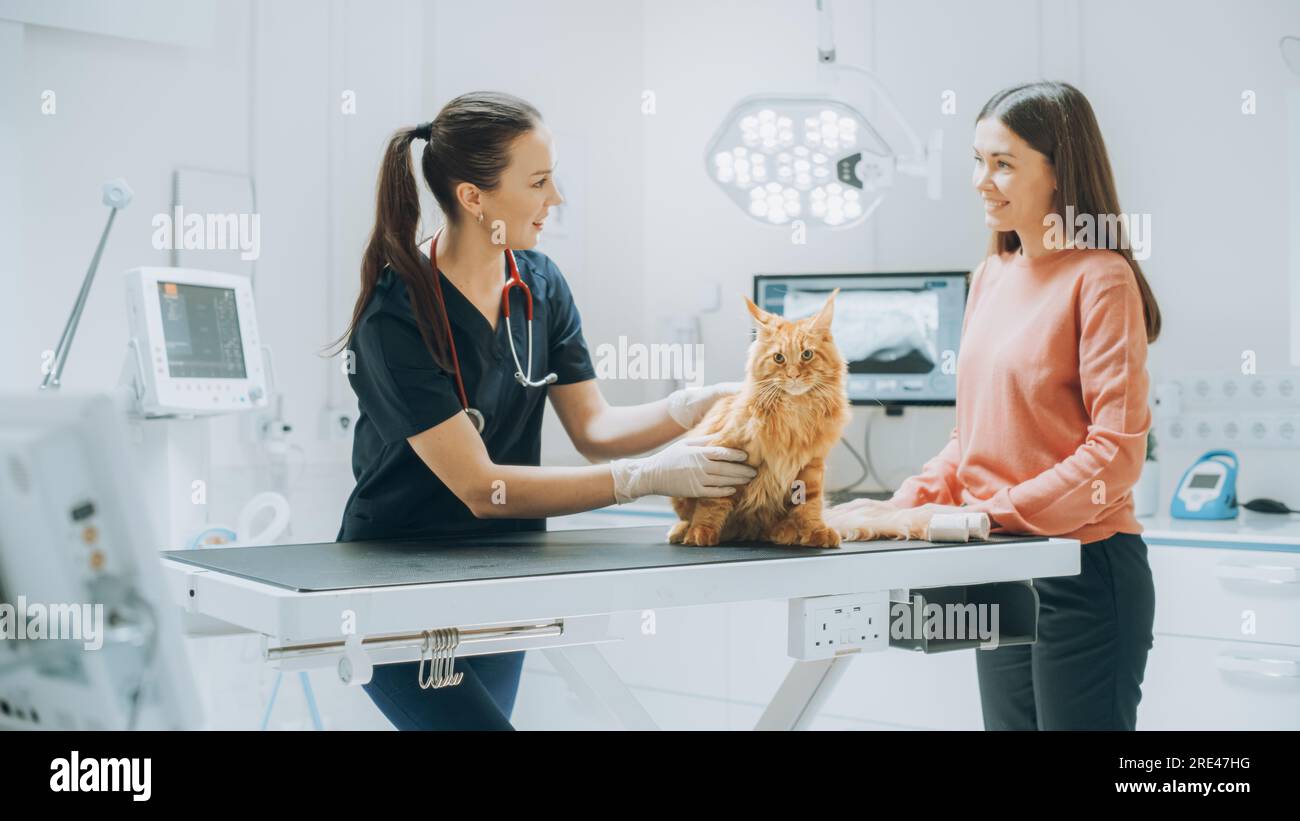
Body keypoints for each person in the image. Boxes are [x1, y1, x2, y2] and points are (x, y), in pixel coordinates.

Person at [332, 91, 755, 730]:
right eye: (538, 182)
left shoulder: (541, 284)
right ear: (474, 197)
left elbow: (594, 429)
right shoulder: (397, 316)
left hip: (508, 572)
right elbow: (480, 487)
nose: (555, 199)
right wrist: (644, 479)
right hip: (400, 579)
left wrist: (691, 407)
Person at [842, 82, 1160, 730]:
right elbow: (971, 440)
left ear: (1059, 171)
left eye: (1004, 163)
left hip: (1080, 569)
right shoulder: (991, 275)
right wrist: (897, 509)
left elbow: (1114, 456)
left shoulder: (1101, 277)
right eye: (978, 160)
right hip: (1003, 565)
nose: (981, 181)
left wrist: (986, 515)